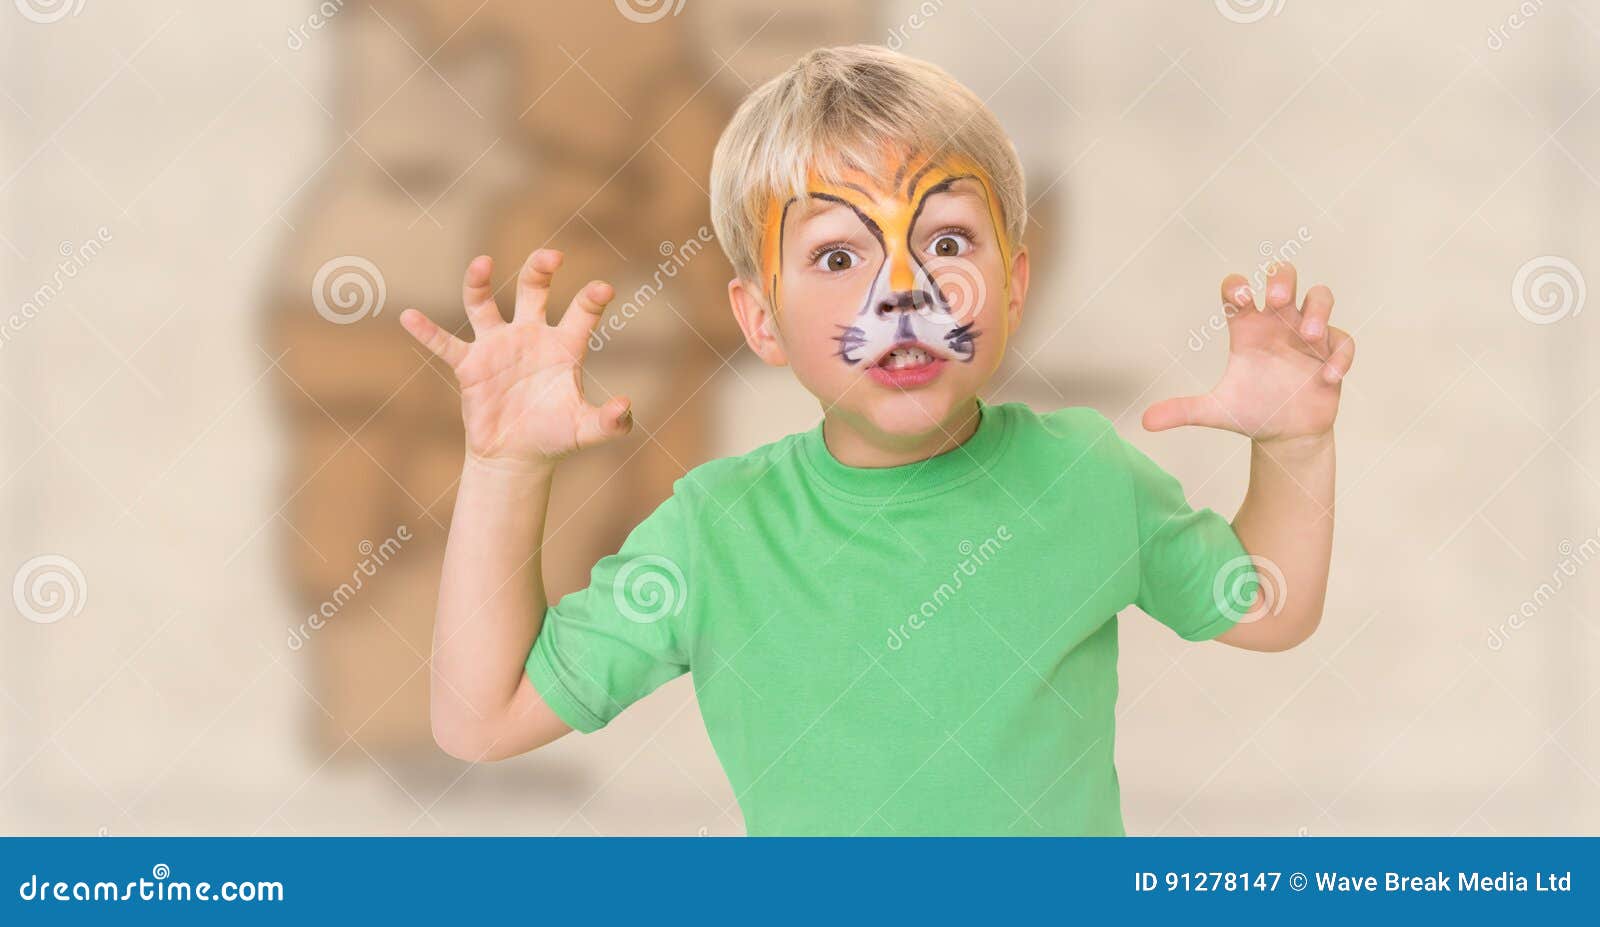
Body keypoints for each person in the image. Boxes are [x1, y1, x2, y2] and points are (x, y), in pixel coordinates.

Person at [399, 44, 1355, 835]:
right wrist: (506, 467)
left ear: (1014, 284)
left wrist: (1297, 448)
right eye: (838, 256)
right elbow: (481, 721)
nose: (906, 295)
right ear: (760, 317)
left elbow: (1264, 608)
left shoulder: (1084, 473)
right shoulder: (718, 530)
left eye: (945, 242)